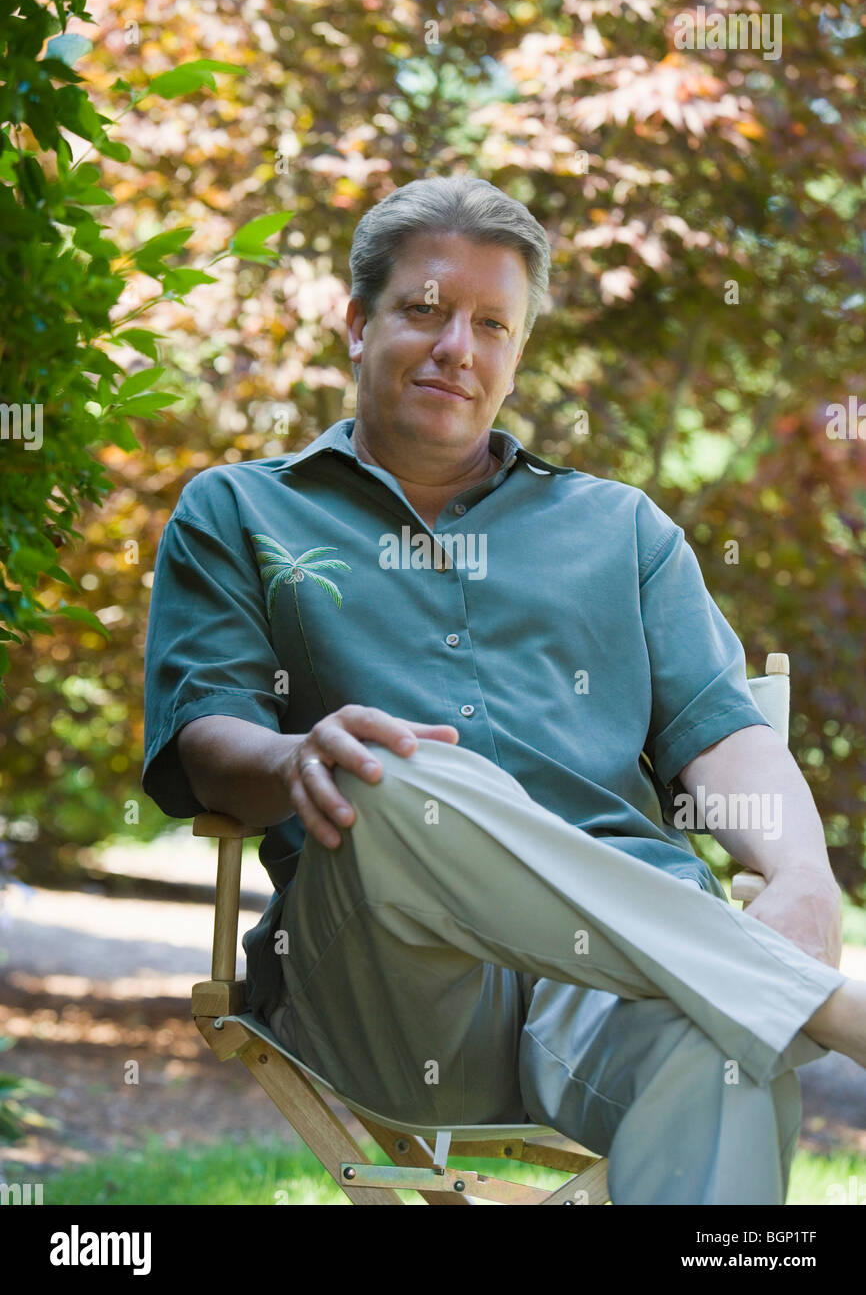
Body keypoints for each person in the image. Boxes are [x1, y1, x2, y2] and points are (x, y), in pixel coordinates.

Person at [142, 174, 864, 1205]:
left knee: (719, 1052)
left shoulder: (620, 531)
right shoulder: (239, 509)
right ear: (357, 321)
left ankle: (764, 999)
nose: (457, 348)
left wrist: (800, 871)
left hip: (612, 987)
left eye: (492, 324)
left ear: (517, 354)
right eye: (425, 311)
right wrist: (298, 757)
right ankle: (822, 1008)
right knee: (387, 762)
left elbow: (721, 731)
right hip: (395, 984)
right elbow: (204, 733)